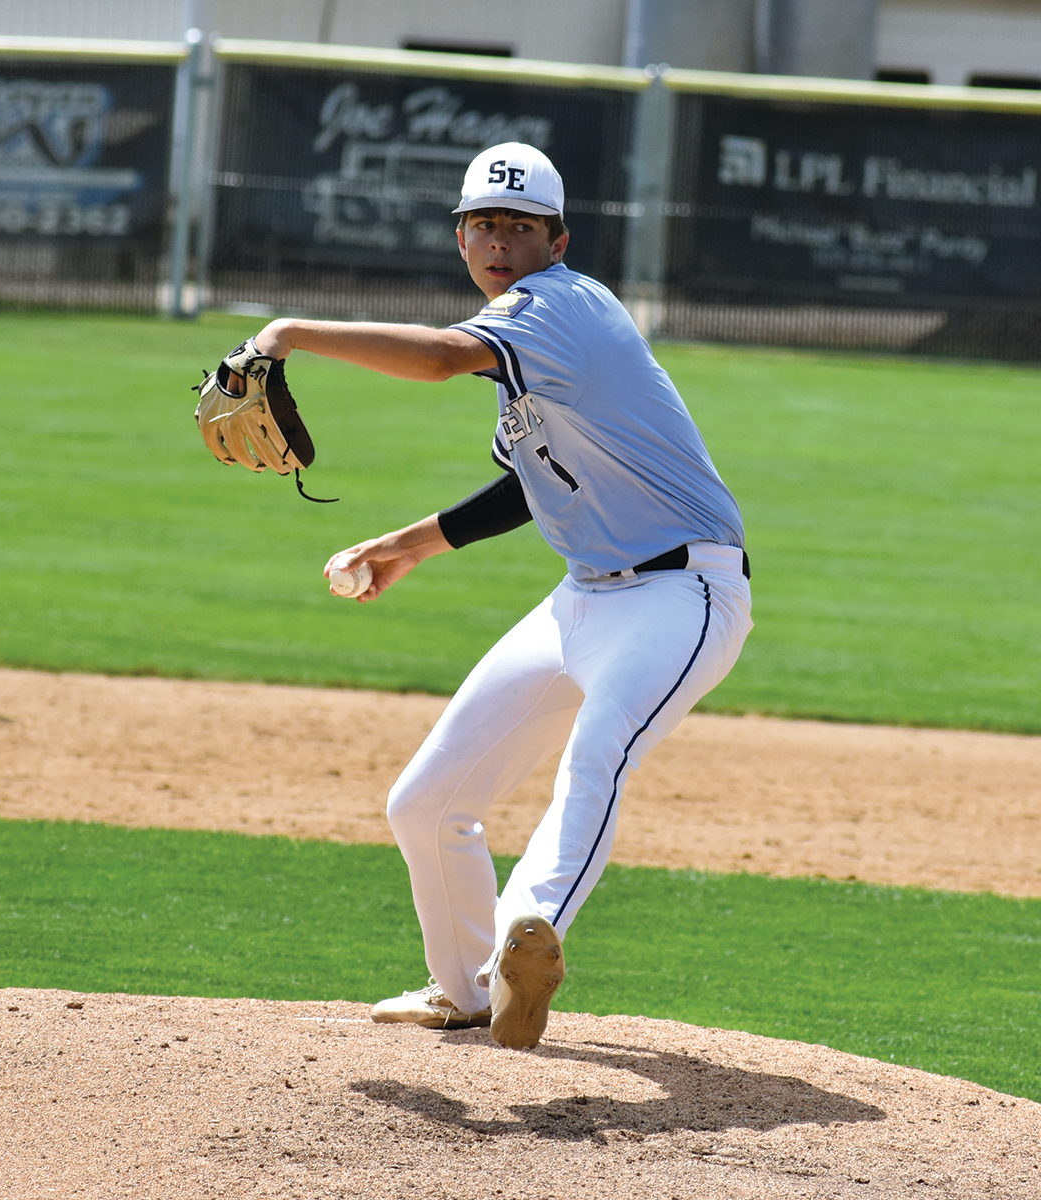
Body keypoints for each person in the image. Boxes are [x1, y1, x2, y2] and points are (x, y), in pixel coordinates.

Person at [238, 142, 753, 1050]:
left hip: (684, 596)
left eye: (520, 226)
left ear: (558, 239)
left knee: (597, 756)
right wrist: (407, 546)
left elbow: (438, 360)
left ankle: (528, 939)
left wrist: (290, 332)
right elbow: (523, 489)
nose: (500, 241)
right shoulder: (524, 341)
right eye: (483, 224)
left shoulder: (563, 306)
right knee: (426, 803)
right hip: (580, 602)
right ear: (461, 239)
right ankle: (468, 989)